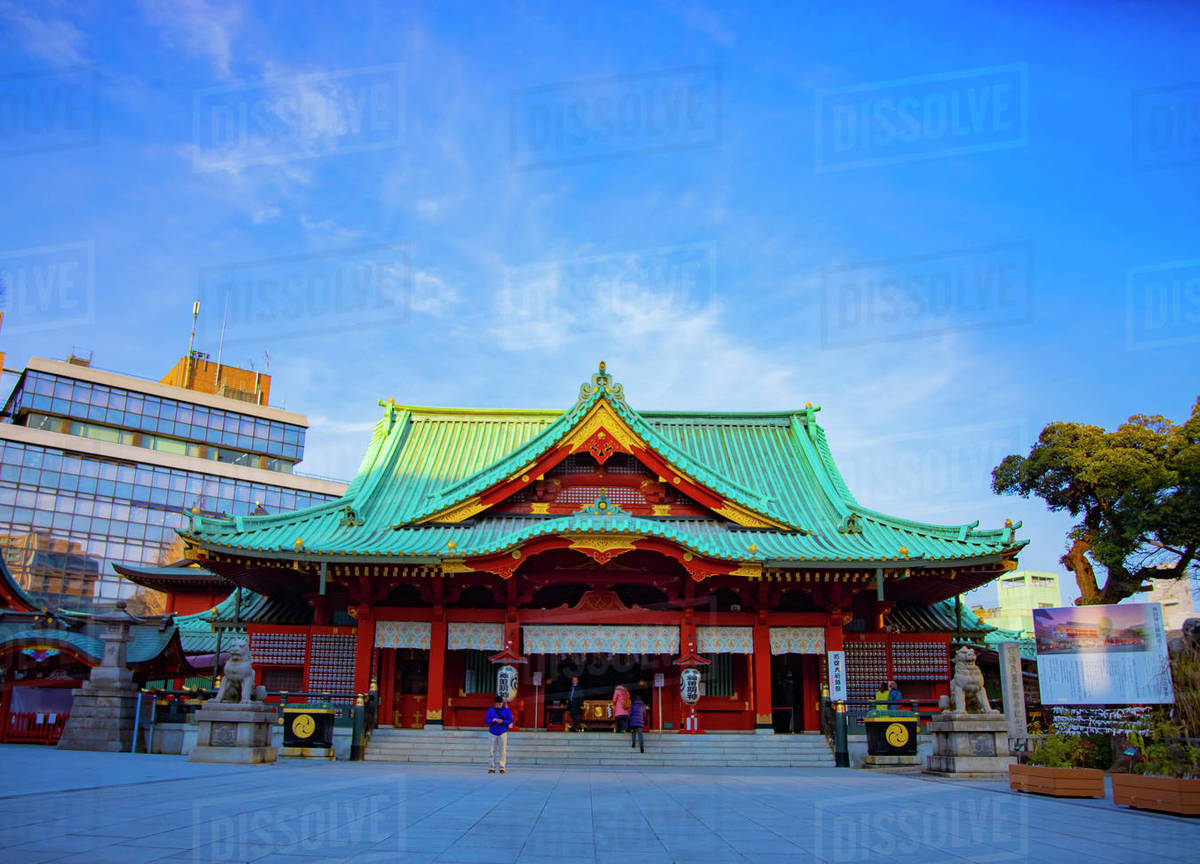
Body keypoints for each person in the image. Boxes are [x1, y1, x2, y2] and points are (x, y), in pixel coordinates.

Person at [484, 695, 513, 774]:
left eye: (500, 704)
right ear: (495, 703)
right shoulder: (491, 710)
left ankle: (502, 768)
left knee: (502, 751)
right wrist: (492, 720)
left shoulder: (506, 710)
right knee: (491, 750)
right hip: (492, 732)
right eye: (497, 704)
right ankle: (491, 768)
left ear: (502, 703)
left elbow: (510, 720)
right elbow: (486, 720)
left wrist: (503, 722)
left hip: (502, 732)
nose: (499, 705)